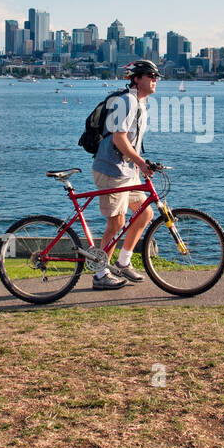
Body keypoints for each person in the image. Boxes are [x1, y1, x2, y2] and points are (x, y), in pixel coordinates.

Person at [90, 59, 160, 289]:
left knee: (144, 214)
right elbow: (119, 138)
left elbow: (131, 141)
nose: (155, 80)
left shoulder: (140, 104)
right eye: (151, 75)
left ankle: (123, 262)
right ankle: (100, 275)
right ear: (137, 78)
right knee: (116, 223)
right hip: (111, 170)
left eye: (156, 76)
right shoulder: (127, 102)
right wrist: (141, 163)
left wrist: (140, 163)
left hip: (127, 170)